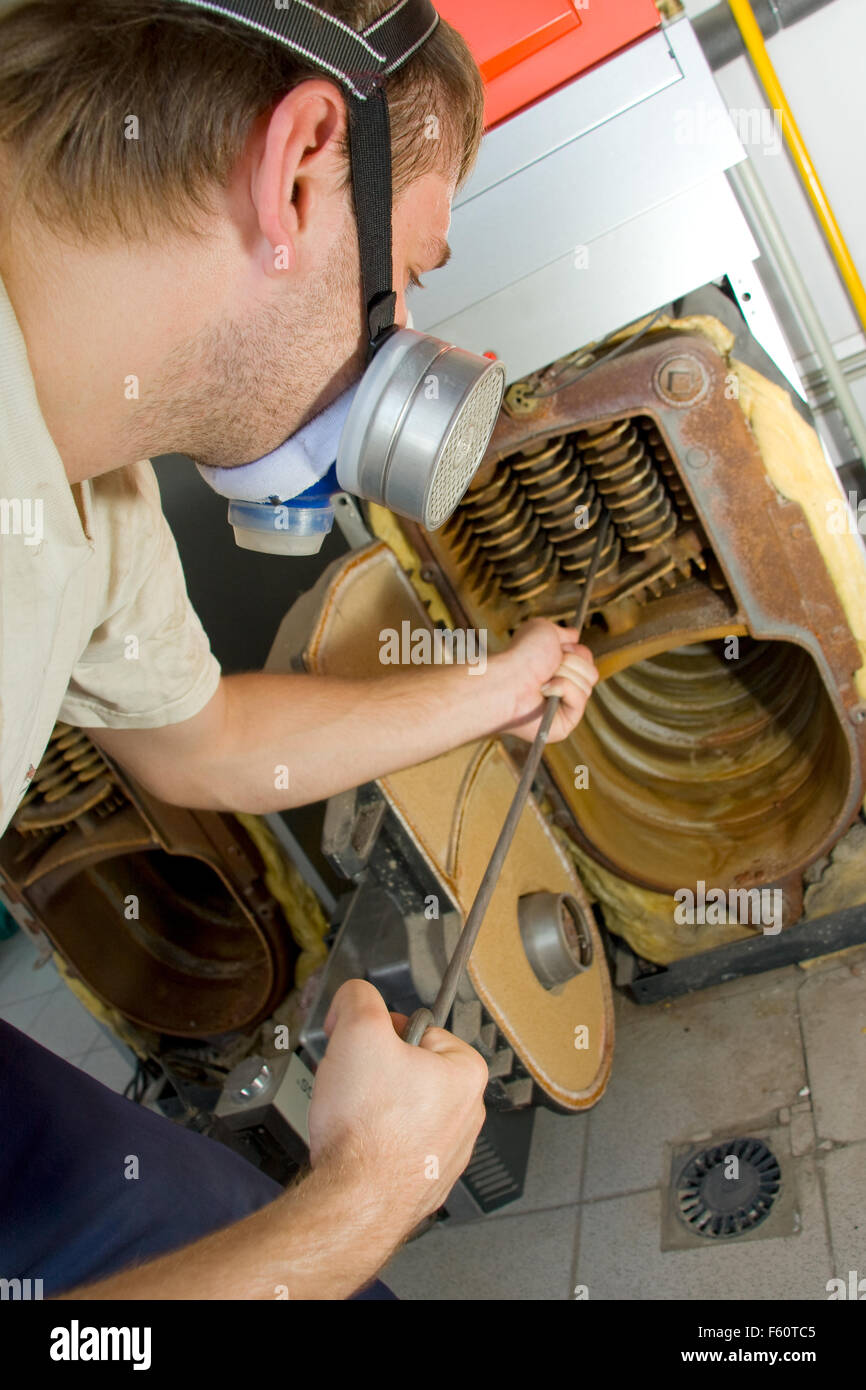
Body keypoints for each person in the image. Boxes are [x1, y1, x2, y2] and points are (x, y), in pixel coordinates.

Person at [0, 0, 599, 1299]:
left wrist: (496, 688)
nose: (409, 352)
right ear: (298, 169)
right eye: (413, 278)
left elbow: (198, 739)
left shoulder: (86, 475)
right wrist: (361, 1198)